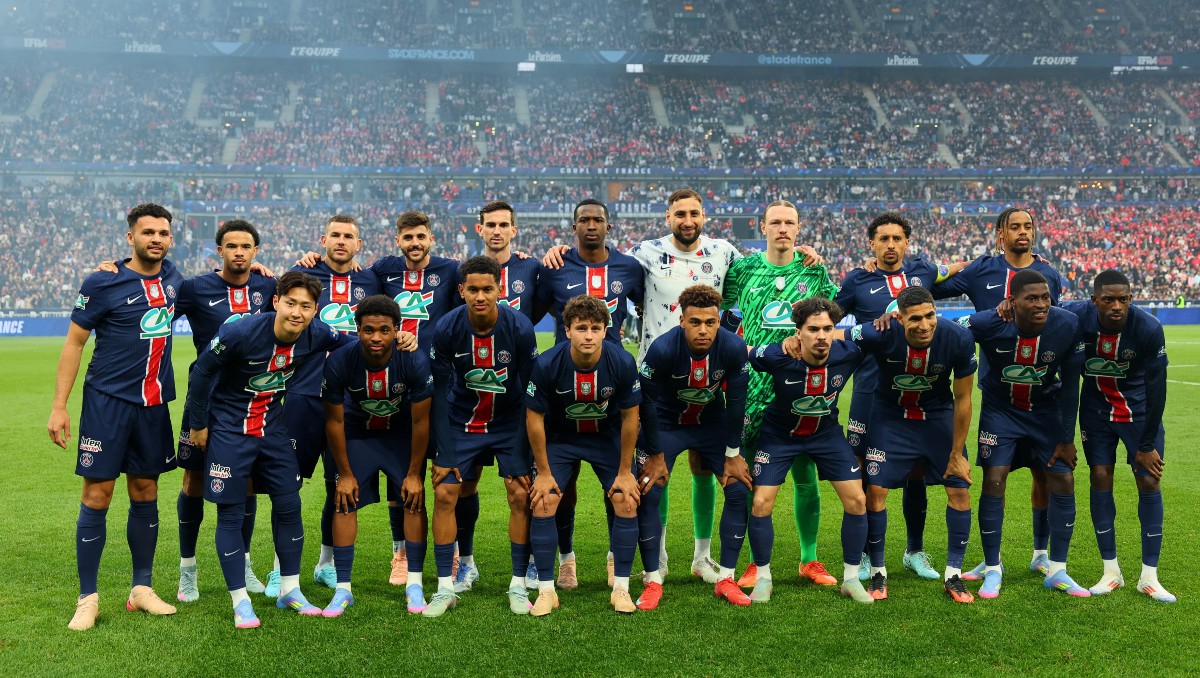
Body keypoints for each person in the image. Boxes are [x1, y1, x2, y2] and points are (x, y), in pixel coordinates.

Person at [184, 272, 356, 628]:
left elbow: (352, 343)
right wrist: (198, 425)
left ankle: (289, 590)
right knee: (231, 513)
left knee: (289, 504)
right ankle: (240, 601)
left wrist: (400, 340)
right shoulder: (240, 333)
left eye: (306, 306)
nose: (297, 312)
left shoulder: (318, 333)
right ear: (276, 302)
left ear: (315, 310)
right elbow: (201, 373)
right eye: (290, 303)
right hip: (230, 429)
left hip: (273, 428)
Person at [50, 203, 182, 631]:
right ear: (131, 237)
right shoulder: (103, 281)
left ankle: (140, 588)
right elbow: (74, 343)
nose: (156, 239)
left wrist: (265, 271)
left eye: (163, 232)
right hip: (107, 402)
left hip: (153, 405)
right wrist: (58, 406)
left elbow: (228, 283)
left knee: (145, 490)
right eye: (148, 232)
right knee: (98, 495)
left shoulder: (175, 280)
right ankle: (87, 597)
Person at [933, 207, 1066, 581]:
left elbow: (1052, 320)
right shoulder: (983, 270)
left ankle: (1041, 553)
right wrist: (957, 266)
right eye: (1015, 227)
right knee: (996, 476)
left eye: (1028, 226)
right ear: (1000, 234)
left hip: (1043, 392)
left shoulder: (1049, 274)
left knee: (1044, 475)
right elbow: (934, 288)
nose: (1023, 232)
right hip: (997, 392)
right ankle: (992, 561)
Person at [835, 212, 969, 582]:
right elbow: (832, 316)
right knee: (865, 471)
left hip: (920, 388)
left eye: (897, 238)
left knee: (917, 470)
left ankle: (914, 550)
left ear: (907, 242)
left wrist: (997, 257)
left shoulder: (923, 273)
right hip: (870, 389)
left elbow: (960, 270)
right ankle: (865, 554)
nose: (891, 244)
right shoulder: (857, 280)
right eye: (883, 239)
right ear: (872, 244)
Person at [720, 199, 839, 588]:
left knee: (806, 474)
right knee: (754, 477)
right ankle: (757, 562)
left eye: (789, 222)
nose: (783, 228)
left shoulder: (813, 269)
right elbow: (717, 305)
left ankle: (809, 559)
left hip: (802, 385)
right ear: (764, 227)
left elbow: (836, 314)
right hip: (754, 384)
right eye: (776, 223)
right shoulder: (744, 268)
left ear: (799, 228)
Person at [841, 286, 977, 603]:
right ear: (900, 318)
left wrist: (956, 454)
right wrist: (794, 340)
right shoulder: (881, 333)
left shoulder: (957, 338)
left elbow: (964, 399)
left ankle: (954, 576)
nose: (925, 325)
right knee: (876, 491)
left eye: (930, 316)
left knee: (959, 487)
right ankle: (878, 571)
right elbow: (835, 337)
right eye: (915, 319)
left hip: (937, 416)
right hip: (891, 417)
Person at [534, 199, 644, 586]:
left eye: (598, 219)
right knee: (563, 489)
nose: (591, 225)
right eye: (584, 220)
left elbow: (650, 309)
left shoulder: (630, 267)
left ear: (609, 227)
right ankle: (567, 558)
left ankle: (616, 556)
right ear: (574, 226)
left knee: (616, 485)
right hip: (565, 386)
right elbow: (527, 312)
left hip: (610, 388)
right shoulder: (555, 267)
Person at [958, 269, 1086, 599]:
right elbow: (949, 333)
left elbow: (1072, 385)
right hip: (1001, 412)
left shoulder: (1067, 324)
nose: (1041, 304)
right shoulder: (988, 323)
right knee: (994, 479)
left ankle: (1054, 567)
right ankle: (992, 566)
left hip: (1047, 412)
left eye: (1045, 297)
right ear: (1012, 302)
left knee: (1061, 479)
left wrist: (1067, 437)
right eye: (1032, 298)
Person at [425, 256, 540, 617]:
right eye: (472, 289)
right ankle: (448, 583)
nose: (479, 296)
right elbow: (438, 394)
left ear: (499, 290)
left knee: (520, 492)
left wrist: (522, 450)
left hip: (508, 423)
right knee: (447, 491)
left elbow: (530, 392)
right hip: (461, 422)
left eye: (487, 289)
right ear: (461, 291)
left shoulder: (519, 328)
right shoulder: (446, 328)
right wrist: (443, 451)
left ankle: (518, 584)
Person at [742, 297, 872, 604]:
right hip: (778, 436)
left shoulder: (848, 353)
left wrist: (893, 318)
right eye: (813, 329)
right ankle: (763, 578)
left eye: (828, 328)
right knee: (760, 502)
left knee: (857, 499)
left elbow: (882, 334)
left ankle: (851, 579)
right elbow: (741, 352)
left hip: (826, 435)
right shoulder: (778, 355)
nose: (822, 336)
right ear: (798, 331)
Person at [172, 219, 276, 602]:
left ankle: (244, 564)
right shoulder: (196, 289)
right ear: (219, 250)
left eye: (246, 246)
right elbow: (154, 304)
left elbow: (306, 297)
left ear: (255, 251)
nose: (238, 252)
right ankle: (188, 570)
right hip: (206, 398)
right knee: (194, 482)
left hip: (249, 402)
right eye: (231, 246)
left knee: (245, 482)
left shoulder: (268, 286)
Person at [526, 295, 643, 616]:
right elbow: (534, 420)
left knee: (626, 498)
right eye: (581, 328)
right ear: (567, 331)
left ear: (606, 330)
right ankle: (548, 591)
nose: (588, 335)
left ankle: (621, 587)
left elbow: (632, 418)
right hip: (562, 439)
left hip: (606, 438)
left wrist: (624, 471)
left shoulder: (621, 362)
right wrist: (544, 472)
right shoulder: (547, 364)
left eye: (595, 328)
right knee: (544, 499)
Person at [636, 284, 750, 609]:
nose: (703, 330)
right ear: (681, 319)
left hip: (710, 424)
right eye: (696, 322)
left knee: (739, 489)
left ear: (719, 321)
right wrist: (656, 456)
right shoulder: (661, 350)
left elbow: (736, 401)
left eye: (710, 322)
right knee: (650, 488)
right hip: (666, 424)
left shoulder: (733, 347)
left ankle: (725, 577)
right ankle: (653, 579)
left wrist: (732, 455)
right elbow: (646, 403)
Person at [1063, 270, 1174, 602]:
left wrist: (1146, 444)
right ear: (1093, 300)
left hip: (1138, 413)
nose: (1116, 306)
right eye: (1108, 300)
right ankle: (1111, 571)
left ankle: (1149, 577)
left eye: (1122, 299)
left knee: (1149, 481)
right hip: (1095, 413)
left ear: (1130, 299)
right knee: (1099, 476)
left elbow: (1158, 391)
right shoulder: (1075, 317)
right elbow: (1041, 306)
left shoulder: (1148, 328)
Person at [322, 295, 434, 617]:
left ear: (396, 330)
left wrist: (414, 474)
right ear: (357, 330)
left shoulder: (413, 359)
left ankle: (414, 584)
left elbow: (421, 421)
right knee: (344, 500)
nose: (376, 338)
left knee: (413, 498)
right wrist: (344, 474)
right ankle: (343, 589)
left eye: (384, 330)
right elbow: (334, 420)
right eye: (368, 330)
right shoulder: (340, 361)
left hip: (400, 436)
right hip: (359, 434)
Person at [286, 215, 381, 594]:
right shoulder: (301, 273)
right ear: (322, 239)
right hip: (303, 396)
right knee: (286, 485)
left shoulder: (372, 280)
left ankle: (326, 563)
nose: (342, 242)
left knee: (338, 483)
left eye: (349, 237)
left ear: (359, 245)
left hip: (349, 400)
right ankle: (281, 567)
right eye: (335, 235)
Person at [371, 211, 463, 585]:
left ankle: (452, 550)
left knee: (446, 473)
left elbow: (488, 277)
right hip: (396, 386)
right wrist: (308, 260)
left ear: (431, 238)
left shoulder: (451, 270)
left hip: (441, 386)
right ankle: (401, 551)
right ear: (397, 239)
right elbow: (342, 275)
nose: (415, 243)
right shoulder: (381, 271)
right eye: (408, 237)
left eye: (421, 236)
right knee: (400, 473)